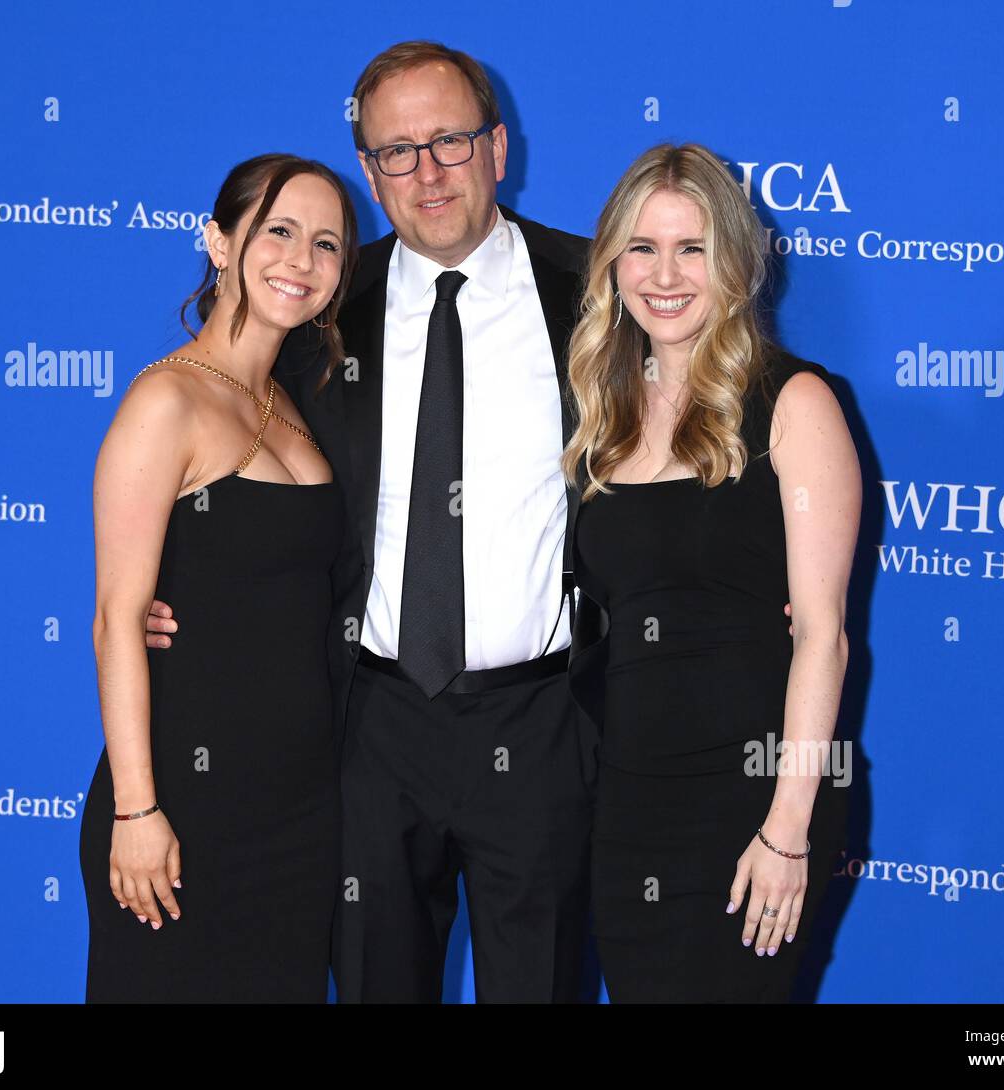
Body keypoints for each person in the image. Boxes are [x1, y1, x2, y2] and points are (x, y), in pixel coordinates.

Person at [147, 41, 600, 1003]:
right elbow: (218, 463)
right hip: (366, 730)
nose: (427, 173)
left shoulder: (596, 292)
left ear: (499, 147)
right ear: (368, 172)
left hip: (544, 719)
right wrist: (169, 594)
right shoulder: (316, 304)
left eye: (449, 141)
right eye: (397, 152)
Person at [564, 142, 860, 1002]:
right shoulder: (602, 414)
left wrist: (788, 828)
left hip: (751, 804)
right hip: (629, 803)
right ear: (612, 261)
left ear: (733, 261)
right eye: (643, 248)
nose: (665, 274)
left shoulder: (793, 402)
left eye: (692, 248)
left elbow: (822, 636)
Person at [79, 153, 359, 1002]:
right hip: (181, 809)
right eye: (277, 232)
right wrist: (137, 811)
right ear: (218, 241)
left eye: (326, 245)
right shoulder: (165, 401)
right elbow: (117, 619)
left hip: (301, 813)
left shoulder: (297, 407)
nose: (299, 261)